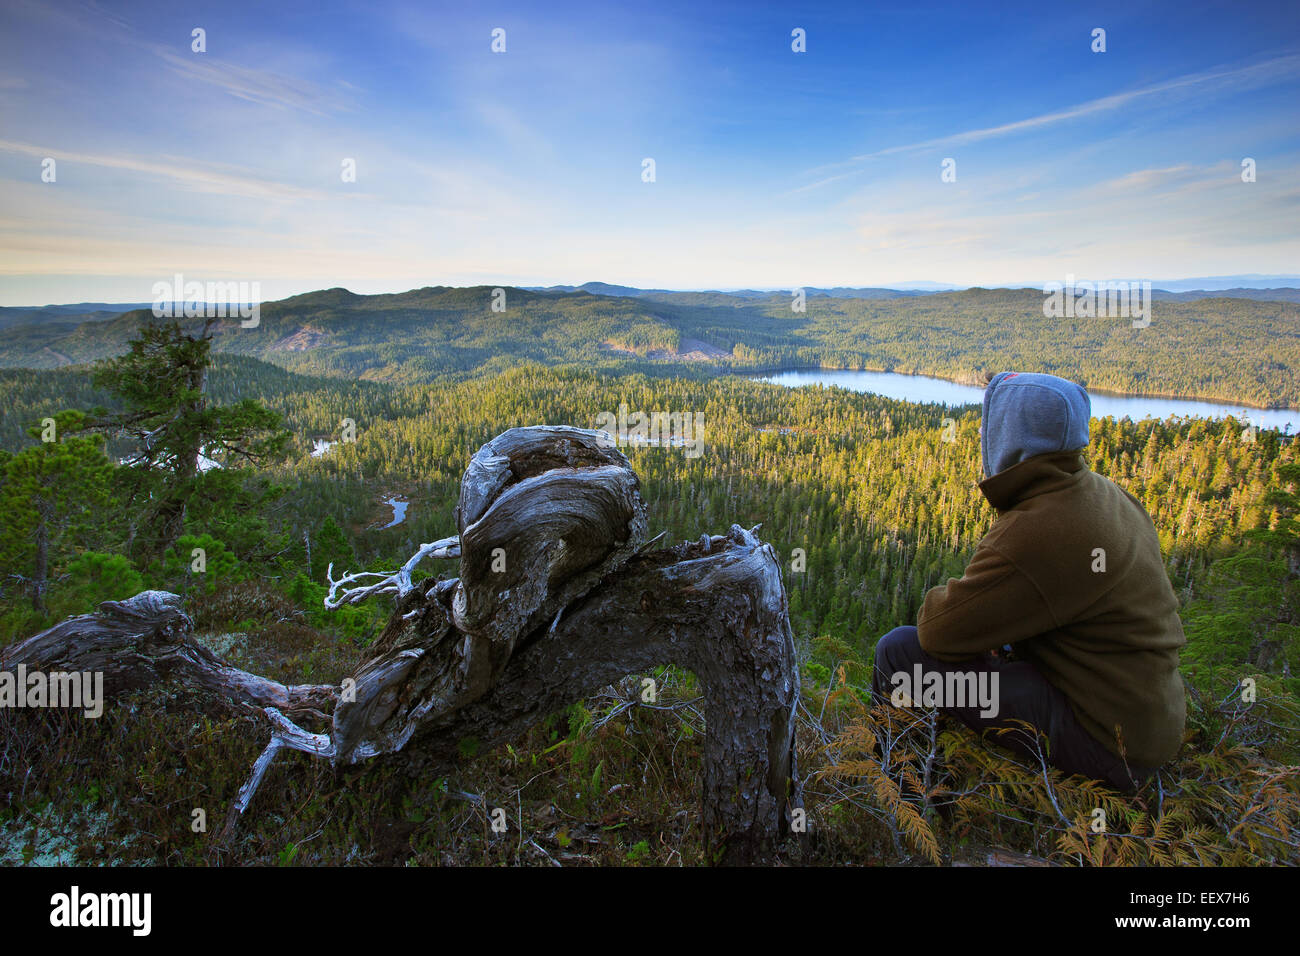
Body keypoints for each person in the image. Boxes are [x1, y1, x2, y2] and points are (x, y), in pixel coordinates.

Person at [871, 371, 1186, 791]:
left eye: (989, 425)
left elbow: (936, 632)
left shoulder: (1040, 526)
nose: (981, 433)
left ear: (1013, 437)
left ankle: (902, 798)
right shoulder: (1106, 496)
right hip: (1143, 721)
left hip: (1109, 743)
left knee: (900, 655)